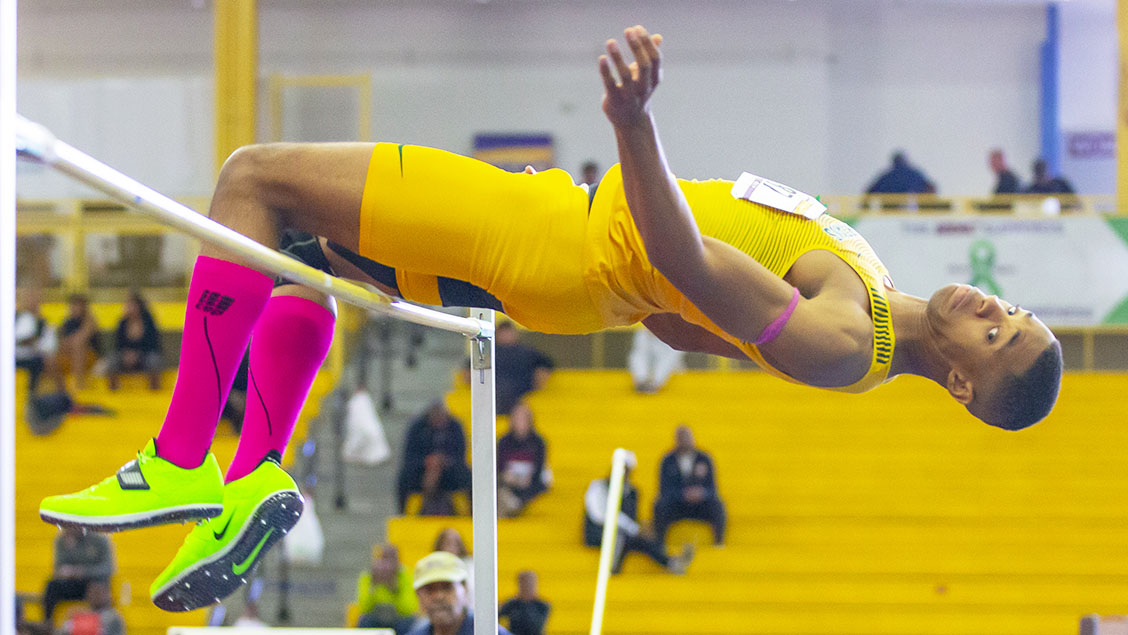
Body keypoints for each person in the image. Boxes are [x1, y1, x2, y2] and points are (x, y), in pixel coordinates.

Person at [40, 24, 1062, 613]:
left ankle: (181, 453)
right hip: (569, 263)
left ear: (965, 383)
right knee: (296, 245)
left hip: (553, 235)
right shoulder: (873, 288)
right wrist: (616, 273)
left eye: (997, 333)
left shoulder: (851, 340)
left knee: (251, 177)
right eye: (1010, 308)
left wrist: (633, 135)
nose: (990, 307)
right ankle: (248, 477)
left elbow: (685, 264)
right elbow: (679, 319)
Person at [583, 451, 693, 575]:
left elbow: (633, 518)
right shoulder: (598, 487)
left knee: (645, 538)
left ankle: (671, 563)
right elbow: (602, 515)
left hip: (626, 533)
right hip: (598, 531)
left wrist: (641, 528)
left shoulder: (632, 492)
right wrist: (634, 528)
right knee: (621, 536)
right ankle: (611, 568)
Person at [651, 425, 726, 546]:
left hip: (700, 505)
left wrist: (701, 493)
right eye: (681, 437)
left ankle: (719, 543)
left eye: (688, 437)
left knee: (717, 505)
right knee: (659, 505)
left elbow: (712, 488)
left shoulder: (704, 458)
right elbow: (664, 489)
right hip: (677, 505)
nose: (685, 440)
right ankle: (659, 544)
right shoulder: (667, 460)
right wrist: (683, 494)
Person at [407, 551, 511, 635]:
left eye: (446, 587)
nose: (439, 596)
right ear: (418, 595)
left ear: (465, 589)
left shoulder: (489, 632)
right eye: (429, 590)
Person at [396, 402, 472, 515]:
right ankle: (402, 513)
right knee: (403, 478)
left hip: (449, 471)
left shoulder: (455, 427)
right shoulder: (417, 428)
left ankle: (473, 513)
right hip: (421, 471)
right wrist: (428, 462)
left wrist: (442, 461)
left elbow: (460, 454)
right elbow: (409, 456)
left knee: (470, 478)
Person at [42, 528, 114, 623]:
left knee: (96, 589)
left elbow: (107, 568)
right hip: (72, 583)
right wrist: (70, 552)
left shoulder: (100, 540)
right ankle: (48, 623)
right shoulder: (62, 540)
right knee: (51, 586)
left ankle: (100, 625)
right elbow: (58, 568)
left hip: (93, 583)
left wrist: (83, 572)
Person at [496, 402, 549, 518]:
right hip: (508, 484)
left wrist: (528, 479)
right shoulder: (504, 442)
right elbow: (499, 467)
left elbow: (540, 469)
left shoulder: (538, 442)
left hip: (530, 485)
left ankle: (516, 506)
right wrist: (507, 477)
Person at [106, 290, 163, 391]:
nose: (130, 308)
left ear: (139, 307)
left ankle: (155, 391)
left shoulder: (149, 322)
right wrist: (126, 354)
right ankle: (114, 392)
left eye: (132, 306)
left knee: (154, 360)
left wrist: (138, 354)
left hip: (145, 355)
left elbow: (154, 344)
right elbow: (118, 344)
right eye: (128, 306)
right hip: (125, 355)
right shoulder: (122, 323)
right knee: (111, 361)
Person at [356, 544, 418, 632]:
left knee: (408, 622)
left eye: (392, 560)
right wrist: (373, 585)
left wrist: (394, 588)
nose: (388, 565)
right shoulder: (368, 576)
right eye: (384, 559)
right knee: (364, 621)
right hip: (375, 617)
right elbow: (364, 608)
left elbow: (408, 609)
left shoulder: (406, 575)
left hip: (399, 618)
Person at [15, 287, 62, 396]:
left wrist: (34, 344)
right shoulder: (13, 318)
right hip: (11, 356)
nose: (31, 301)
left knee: (48, 361)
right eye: (28, 297)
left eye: (34, 298)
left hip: (33, 358)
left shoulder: (42, 322)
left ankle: (59, 396)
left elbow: (50, 346)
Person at [56, 293, 101, 391]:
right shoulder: (67, 323)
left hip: (91, 357)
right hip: (69, 355)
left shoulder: (90, 321)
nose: (74, 308)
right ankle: (60, 389)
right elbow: (61, 343)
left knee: (79, 348)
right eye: (73, 305)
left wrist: (69, 343)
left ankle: (79, 386)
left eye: (77, 305)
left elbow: (80, 340)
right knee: (50, 355)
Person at [627, 327, 684, 393]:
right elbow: (638, 354)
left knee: (672, 355)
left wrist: (657, 381)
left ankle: (654, 383)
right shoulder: (643, 332)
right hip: (645, 376)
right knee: (638, 353)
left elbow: (670, 358)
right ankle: (643, 381)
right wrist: (640, 378)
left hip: (669, 379)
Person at [56, 581, 124, 635]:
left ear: (108, 595)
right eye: (92, 592)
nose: (96, 596)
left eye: (99, 592)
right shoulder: (78, 615)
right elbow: (63, 631)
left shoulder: (113, 617)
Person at [497, 571, 550, 635]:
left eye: (529, 584)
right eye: (524, 584)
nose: (527, 587)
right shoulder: (512, 604)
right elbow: (496, 616)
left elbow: (535, 625)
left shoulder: (542, 605)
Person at [865, 151, 936, 194]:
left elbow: (869, 192)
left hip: (889, 212)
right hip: (911, 210)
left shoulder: (886, 176)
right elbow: (930, 188)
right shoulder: (915, 174)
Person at [432, 528, 474, 601]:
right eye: (447, 543)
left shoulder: (469, 565)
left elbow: (471, 591)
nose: (451, 548)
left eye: (455, 544)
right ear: (439, 545)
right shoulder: (432, 565)